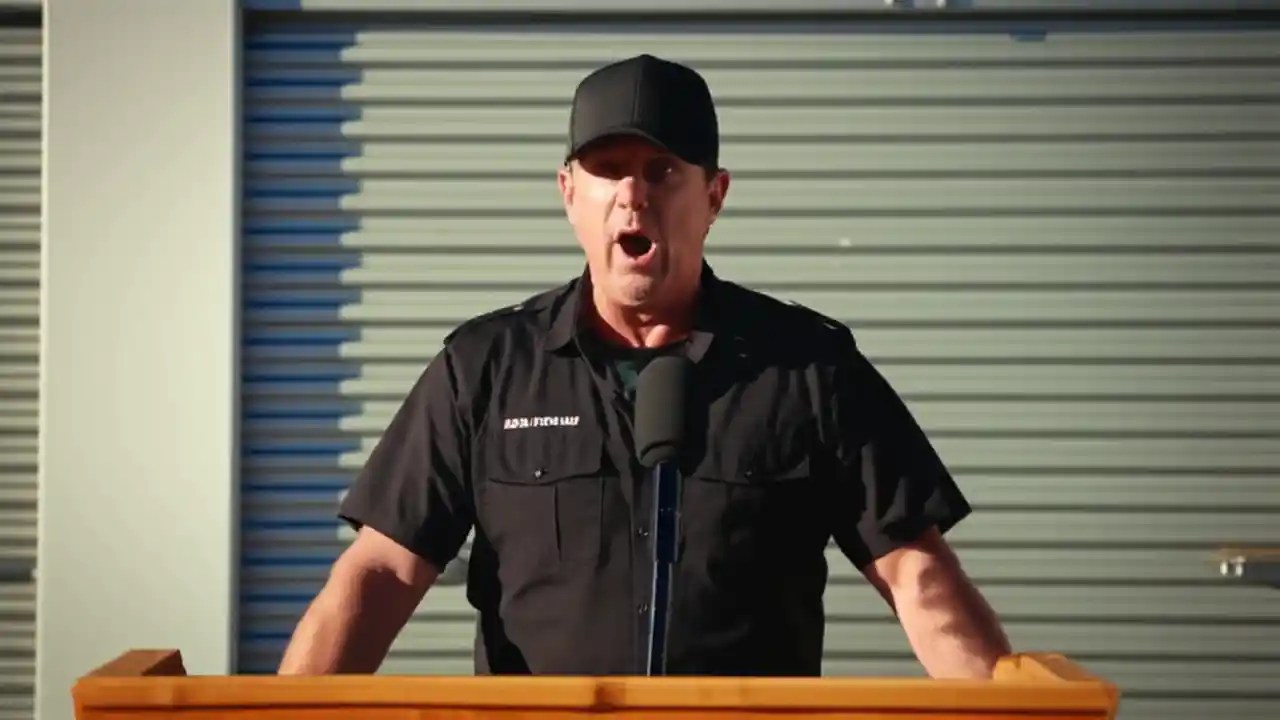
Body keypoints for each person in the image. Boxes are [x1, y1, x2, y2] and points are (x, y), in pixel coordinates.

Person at [277, 53, 1011, 678]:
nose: (633, 195)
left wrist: (1007, 711)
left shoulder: (808, 369)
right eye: (608, 170)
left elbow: (916, 573)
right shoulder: (486, 368)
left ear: (714, 196)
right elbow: (381, 571)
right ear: (569, 193)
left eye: (663, 171)